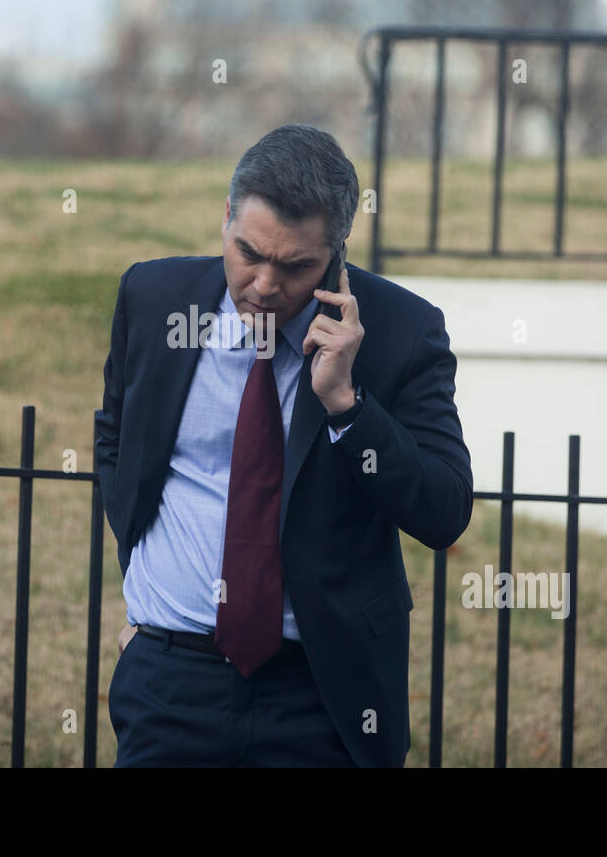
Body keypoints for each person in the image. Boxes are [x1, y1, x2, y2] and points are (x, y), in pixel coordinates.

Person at [95, 123, 472, 767]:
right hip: (170, 680)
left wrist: (348, 406)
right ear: (226, 219)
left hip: (323, 695)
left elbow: (443, 511)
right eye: (248, 253)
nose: (265, 284)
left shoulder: (402, 331)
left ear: (336, 253)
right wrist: (146, 582)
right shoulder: (155, 299)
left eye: (295, 265)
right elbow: (116, 443)